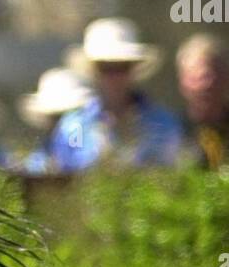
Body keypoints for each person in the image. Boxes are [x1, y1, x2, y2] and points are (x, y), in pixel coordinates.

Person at [47, 18, 185, 171]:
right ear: (93, 71)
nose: (114, 77)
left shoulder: (163, 124)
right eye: (106, 68)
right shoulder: (72, 129)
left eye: (122, 67)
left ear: (133, 69)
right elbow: (62, 183)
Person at [17, 68, 93, 174]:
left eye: (66, 116)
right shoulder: (44, 149)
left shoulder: (91, 141)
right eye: (55, 116)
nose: (62, 124)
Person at [175, 33, 229, 168]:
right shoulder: (171, 130)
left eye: (212, 76)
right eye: (197, 78)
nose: (206, 85)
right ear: (182, 81)